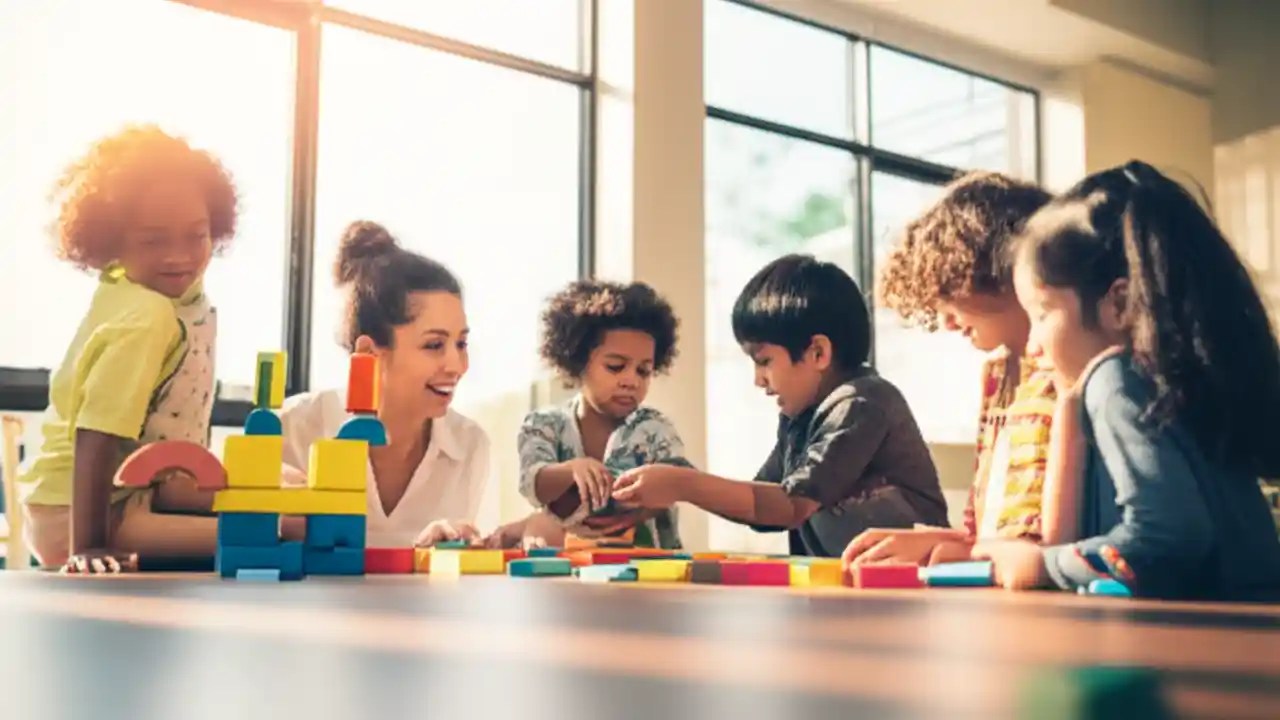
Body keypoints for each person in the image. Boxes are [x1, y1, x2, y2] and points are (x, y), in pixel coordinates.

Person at [977, 160, 1280, 600]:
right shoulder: (1175, 380)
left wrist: (1044, 564)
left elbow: (1167, 539)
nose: (1035, 344)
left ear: (1119, 303)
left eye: (1042, 314)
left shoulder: (1115, 379)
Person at [612, 254, 947, 557]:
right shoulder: (799, 417)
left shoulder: (860, 402)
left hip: (913, 585)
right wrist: (674, 481)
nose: (758, 380)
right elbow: (762, 506)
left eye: (764, 361)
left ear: (818, 353)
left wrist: (683, 483)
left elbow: (788, 506)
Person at [18, 125, 236, 573]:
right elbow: (96, 433)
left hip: (138, 491)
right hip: (83, 513)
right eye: (154, 241)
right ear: (112, 242)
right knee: (274, 529)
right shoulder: (146, 317)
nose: (179, 257)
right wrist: (89, 547)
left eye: (195, 236)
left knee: (279, 495)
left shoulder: (181, 301)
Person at [844, 172, 1062, 568]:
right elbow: (989, 525)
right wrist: (944, 542)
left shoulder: (1065, 372)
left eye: (951, 294)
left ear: (998, 273)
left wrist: (963, 549)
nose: (946, 322)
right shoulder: (996, 375)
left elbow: (1060, 537)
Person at [279, 221, 491, 549]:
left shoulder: (471, 446)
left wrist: (456, 548)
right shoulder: (294, 429)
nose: (458, 366)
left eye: (461, 344)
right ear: (369, 354)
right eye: (434, 345)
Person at [503, 280, 691, 549]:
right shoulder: (544, 425)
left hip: (651, 572)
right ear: (577, 361)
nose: (631, 381)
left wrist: (639, 511)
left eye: (643, 371)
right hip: (568, 571)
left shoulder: (655, 429)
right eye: (615, 367)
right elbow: (534, 482)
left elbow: (680, 482)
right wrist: (572, 470)